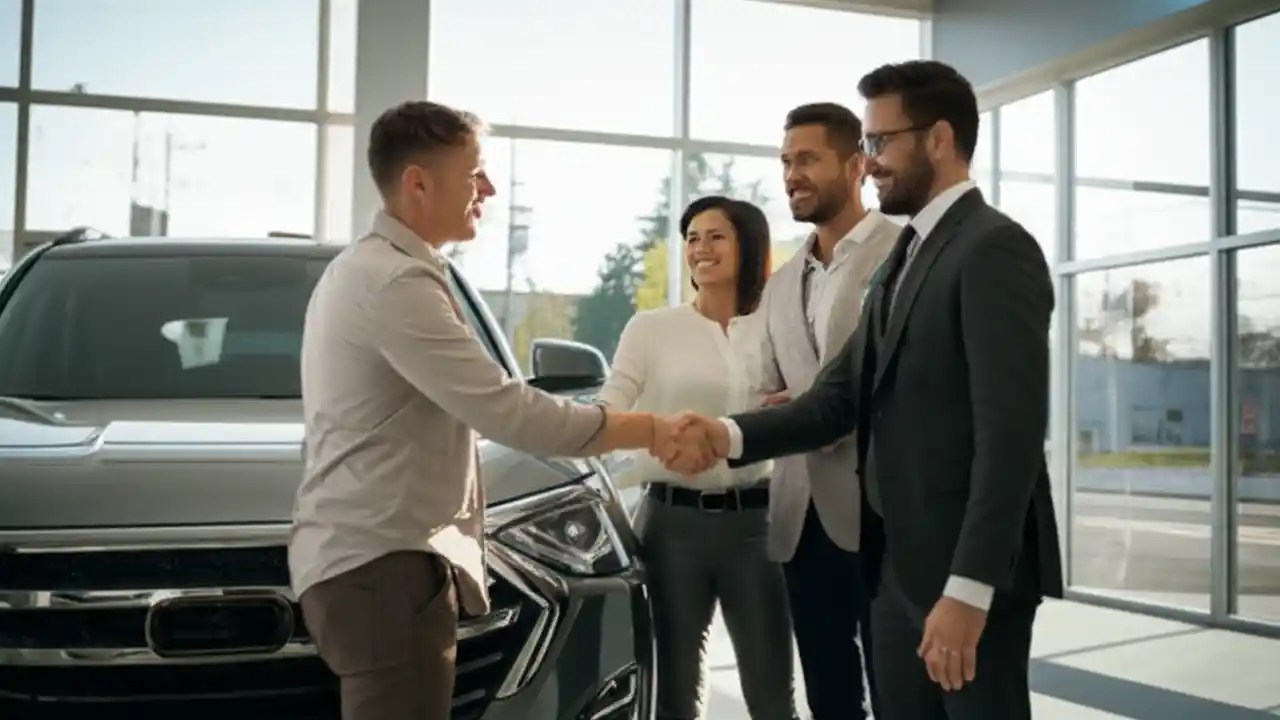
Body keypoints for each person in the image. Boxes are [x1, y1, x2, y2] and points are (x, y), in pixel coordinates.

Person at [663, 60, 1065, 720]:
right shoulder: (907, 256)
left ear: (937, 139)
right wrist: (727, 434)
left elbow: (1011, 439)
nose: (870, 160)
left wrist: (970, 588)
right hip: (896, 570)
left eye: (880, 142)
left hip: (960, 578)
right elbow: (837, 395)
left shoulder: (994, 249)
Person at [290, 100, 675, 720]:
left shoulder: (370, 270)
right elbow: (508, 412)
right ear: (418, 182)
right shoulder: (395, 284)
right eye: (476, 174)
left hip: (368, 566)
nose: (489, 189)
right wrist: (651, 428)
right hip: (385, 571)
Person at [598, 195, 798, 720]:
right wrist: (656, 439)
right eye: (691, 238)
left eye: (715, 236)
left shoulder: (776, 330)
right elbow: (609, 408)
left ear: (747, 245)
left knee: (772, 692)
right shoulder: (651, 328)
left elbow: (805, 411)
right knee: (674, 694)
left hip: (758, 525)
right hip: (671, 527)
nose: (699, 249)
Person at [755, 102, 899, 720]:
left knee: (901, 689)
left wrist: (815, 403)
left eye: (808, 159)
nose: (793, 174)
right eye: (787, 161)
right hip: (801, 515)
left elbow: (917, 382)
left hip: (887, 510)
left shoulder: (908, 251)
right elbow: (767, 388)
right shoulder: (782, 281)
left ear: (858, 163)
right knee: (829, 696)